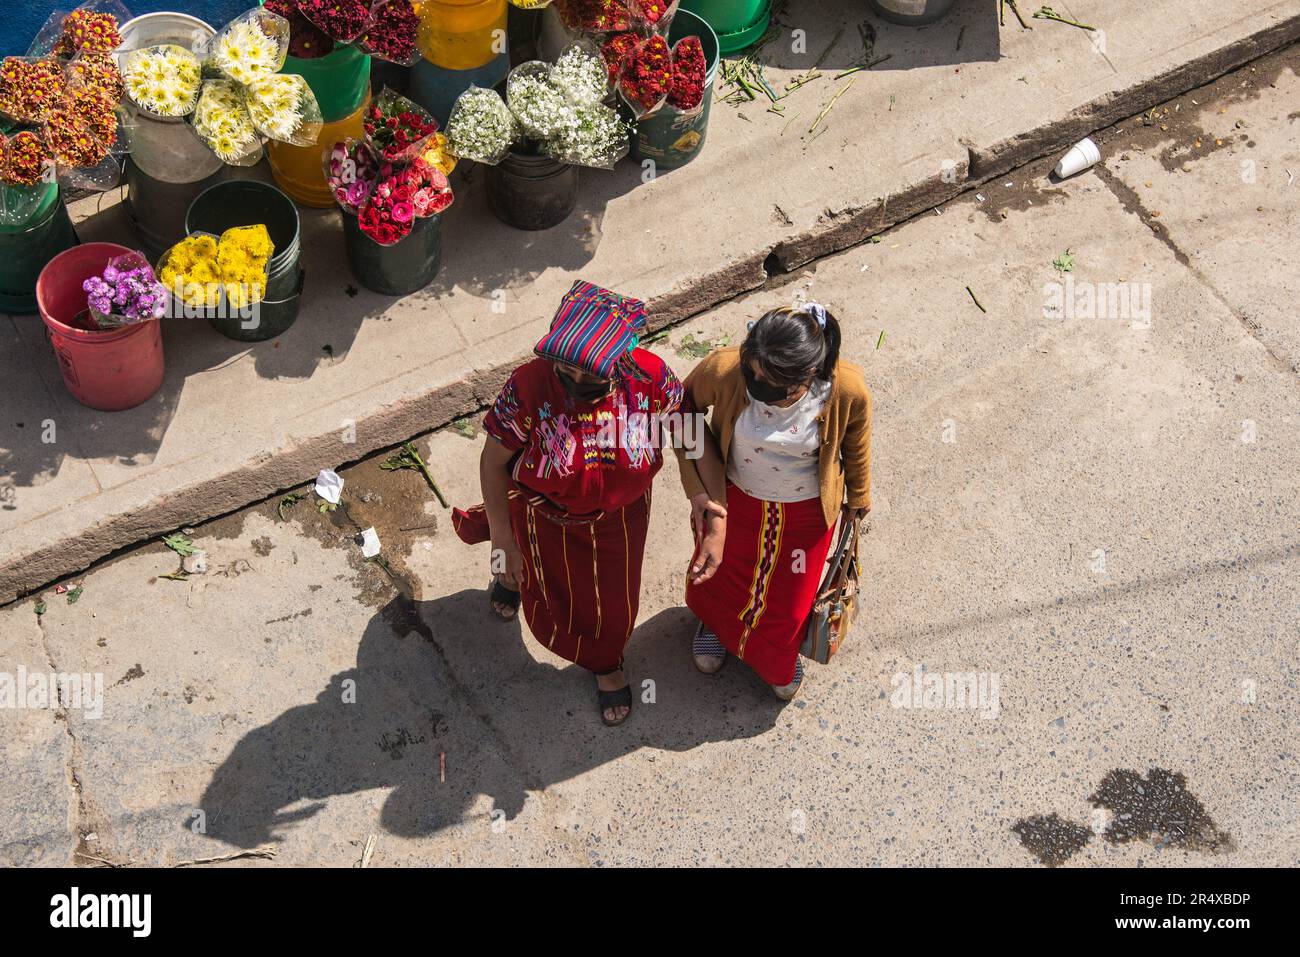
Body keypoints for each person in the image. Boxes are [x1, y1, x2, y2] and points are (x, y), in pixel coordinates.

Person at [453, 281, 688, 726]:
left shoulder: (650, 377)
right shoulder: (527, 386)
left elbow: (688, 434)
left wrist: (705, 500)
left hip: (619, 520)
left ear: (620, 362)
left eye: (591, 379)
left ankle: (605, 662)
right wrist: (502, 538)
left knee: (613, 605)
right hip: (543, 515)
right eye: (566, 373)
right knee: (523, 564)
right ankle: (514, 581)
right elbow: (493, 463)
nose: (576, 384)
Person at [675, 303, 871, 700]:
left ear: (809, 373)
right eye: (754, 371)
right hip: (736, 500)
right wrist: (699, 491)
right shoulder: (725, 369)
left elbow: (857, 440)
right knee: (721, 571)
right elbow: (683, 412)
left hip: (808, 516)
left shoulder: (845, 389)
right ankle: (715, 626)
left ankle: (775, 658)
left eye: (771, 380)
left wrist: (859, 495)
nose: (756, 380)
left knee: (790, 598)